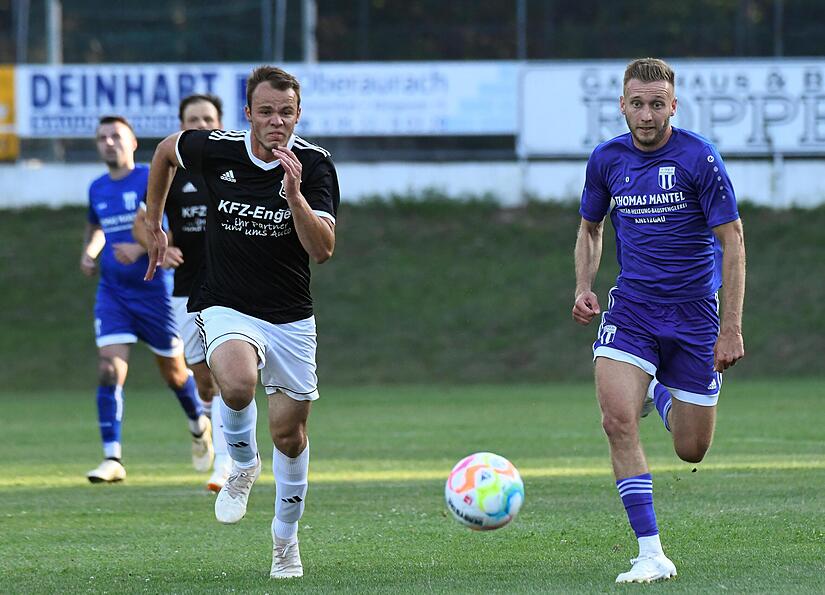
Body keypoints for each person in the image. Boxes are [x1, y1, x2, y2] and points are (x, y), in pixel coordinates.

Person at [142, 66, 340, 579]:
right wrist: (153, 221)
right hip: (225, 300)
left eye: (287, 113)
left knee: (290, 436)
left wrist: (295, 196)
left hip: (290, 315)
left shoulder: (315, 166)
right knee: (234, 383)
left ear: (299, 115)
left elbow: (322, 251)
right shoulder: (217, 149)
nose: (278, 122)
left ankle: (285, 542)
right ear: (248, 112)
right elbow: (166, 152)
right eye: (268, 111)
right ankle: (241, 463)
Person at [572, 58, 746, 584]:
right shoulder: (606, 160)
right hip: (633, 310)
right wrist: (584, 285)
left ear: (673, 105)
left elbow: (733, 242)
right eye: (636, 104)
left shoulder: (700, 158)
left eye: (656, 104)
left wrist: (730, 326)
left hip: (696, 315)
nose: (646, 116)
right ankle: (651, 552)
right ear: (621, 105)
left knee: (691, 448)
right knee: (616, 422)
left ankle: (662, 394)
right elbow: (590, 228)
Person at [81, 115, 213, 483]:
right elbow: (98, 228)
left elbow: (173, 228)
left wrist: (141, 249)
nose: (109, 142)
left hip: (156, 291)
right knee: (109, 369)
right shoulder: (97, 188)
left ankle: (198, 423)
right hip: (114, 294)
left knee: (173, 373)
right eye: (102, 137)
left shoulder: (151, 177)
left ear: (133, 141)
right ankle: (112, 457)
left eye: (116, 136)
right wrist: (90, 252)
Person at [132, 94, 232, 493]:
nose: (203, 125)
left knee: (229, 378)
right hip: (187, 288)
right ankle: (204, 421)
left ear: (220, 123)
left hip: (232, 287)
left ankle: (226, 466)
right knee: (203, 379)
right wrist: (158, 243)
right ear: (181, 126)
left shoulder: (235, 168)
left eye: (209, 118)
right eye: (194, 120)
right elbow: (143, 222)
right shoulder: (171, 171)